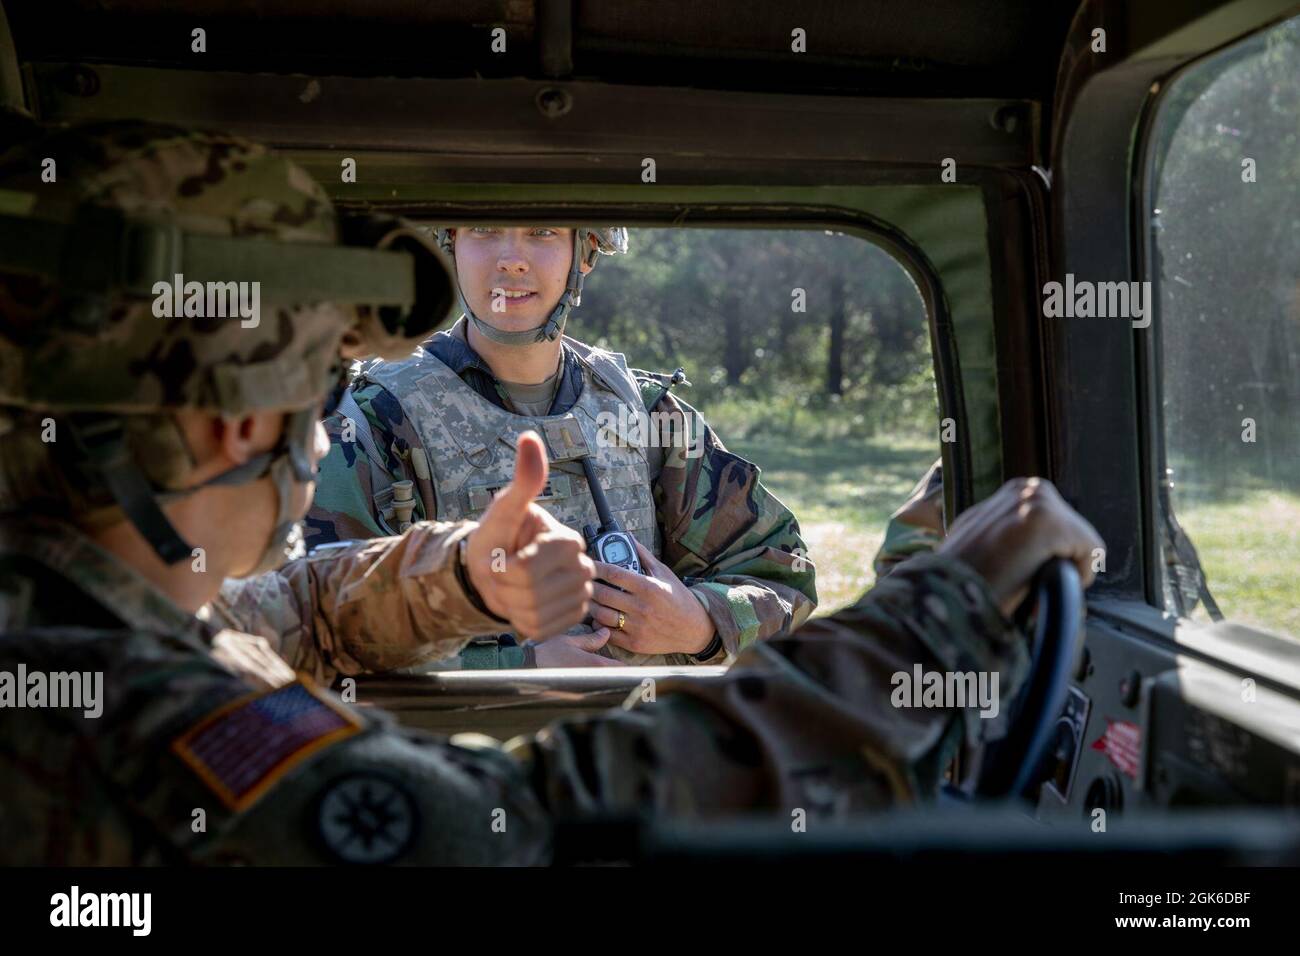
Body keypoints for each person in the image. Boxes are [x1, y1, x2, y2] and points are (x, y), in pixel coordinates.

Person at [0, 121, 1104, 865]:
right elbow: (532, 831)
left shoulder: (82, 613)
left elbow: (304, 608)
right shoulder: (122, 709)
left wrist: (467, 581)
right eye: (314, 382)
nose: (322, 419)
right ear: (236, 424)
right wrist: (939, 612)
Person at [306, 224, 817, 668]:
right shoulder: (374, 421)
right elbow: (318, 624)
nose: (511, 258)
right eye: (484, 230)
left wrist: (702, 624)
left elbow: (783, 578)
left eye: (542, 231)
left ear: (586, 253)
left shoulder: (647, 416)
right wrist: (515, 666)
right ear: (452, 243)